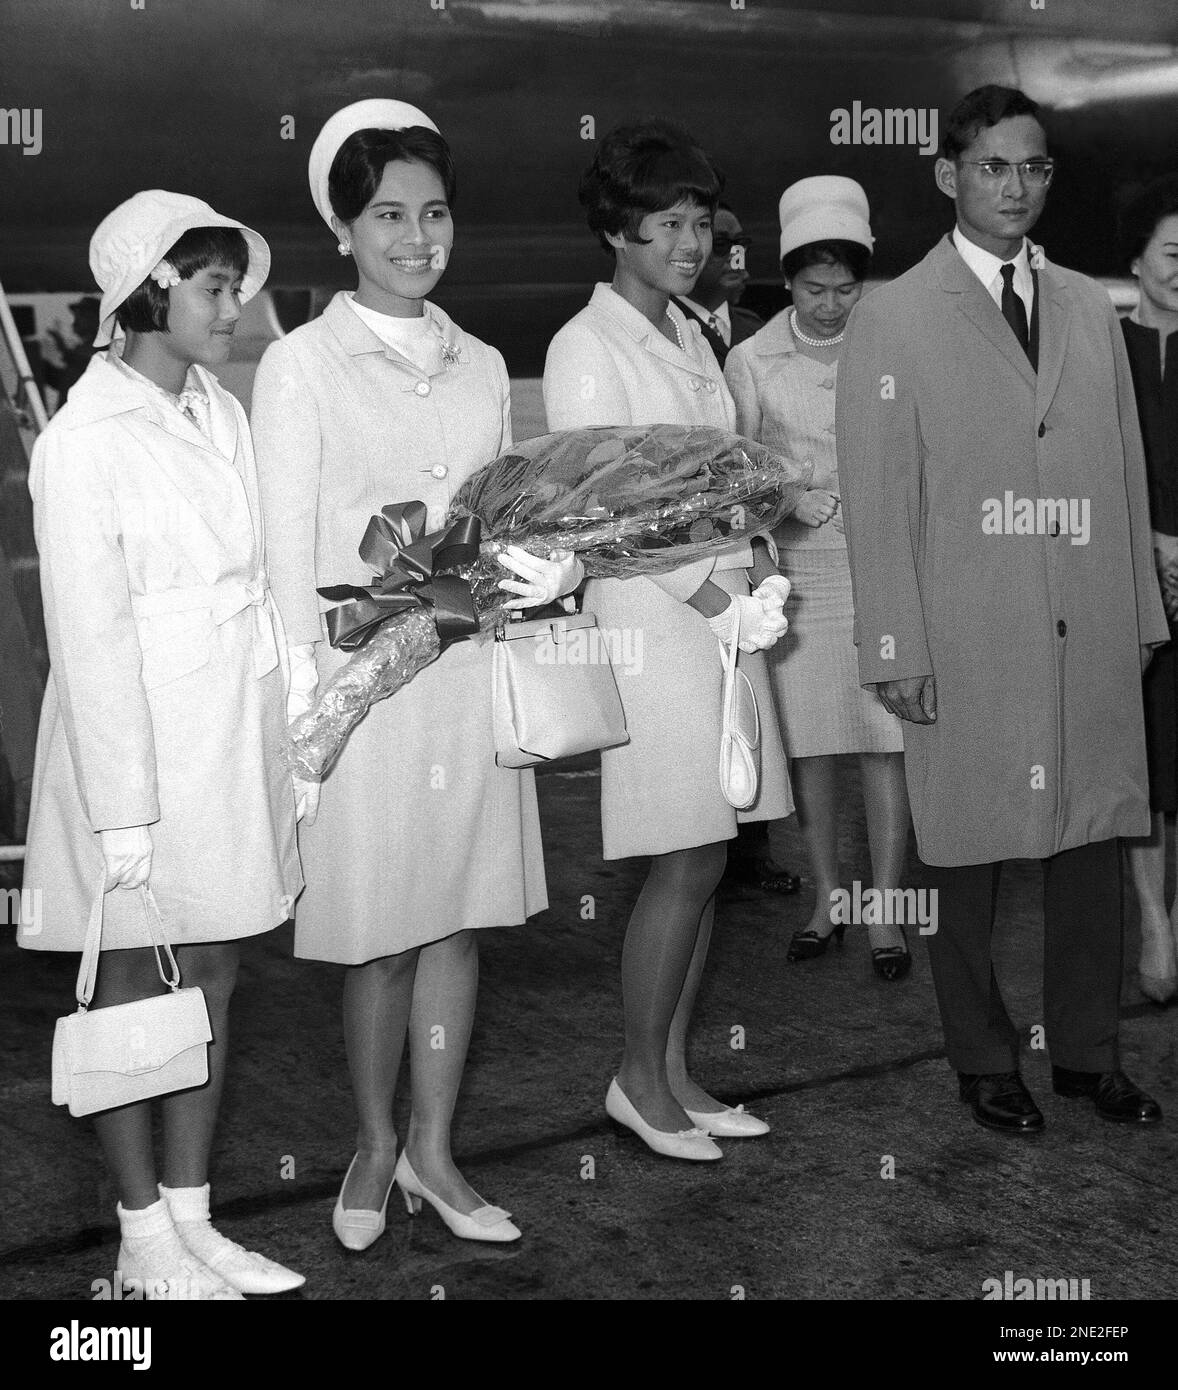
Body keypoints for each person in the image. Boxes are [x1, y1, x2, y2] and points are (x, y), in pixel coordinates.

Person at [252, 100, 580, 1248]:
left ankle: (436, 1153)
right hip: (364, 696)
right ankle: (373, 1143)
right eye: (386, 212)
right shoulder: (297, 366)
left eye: (433, 212)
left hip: (465, 677)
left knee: (458, 921)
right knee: (379, 930)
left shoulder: (483, 362)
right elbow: (289, 551)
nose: (414, 235)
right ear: (343, 227)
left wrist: (542, 571)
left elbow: (498, 519)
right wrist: (306, 715)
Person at [837, 84, 1167, 1132]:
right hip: (963, 628)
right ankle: (983, 1060)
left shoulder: (1084, 304)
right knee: (962, 854)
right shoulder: (892, 313)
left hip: (1086, 624)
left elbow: (1120, 470)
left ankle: (1083, 1055)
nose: (1015, 186)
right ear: (947, 174)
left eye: (1033, 168)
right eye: (992, 167)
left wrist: (1139, 620)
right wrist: (892, 639)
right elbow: (874, 493)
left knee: (1088, 845)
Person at [18, 191, 305, 1297]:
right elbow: (87, 642)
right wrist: (123, 815)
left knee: (217, 971)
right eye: (212, 288)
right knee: (137, 990)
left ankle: (194, 1222)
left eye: (235, 285)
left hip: (227, 735)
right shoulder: (85, 440)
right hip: (132, 755)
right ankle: (141, 1244)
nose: (233, 307)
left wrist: (295, 723)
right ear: (148, 294)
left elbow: (261, 582)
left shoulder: (214, 409)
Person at [544, 119, 807, 1159]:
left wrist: (762, 562)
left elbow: (726, 476)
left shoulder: (693, 334)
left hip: (724, 619)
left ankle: (677, 1072)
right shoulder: (584, 347)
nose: (688, 241)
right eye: (664, 222)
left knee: (709, 854)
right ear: (617, 229)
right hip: (656, 627)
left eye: (699, 222)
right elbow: (607, 517)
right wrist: (717, 600)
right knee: (682, 852)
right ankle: (635, 1079)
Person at [726, 178, 911, 980]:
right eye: (814, 289)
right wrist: (795, 494)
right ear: (788, 282)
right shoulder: (752, 359)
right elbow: (738, 476)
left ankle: (886, 913)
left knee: (888, 740)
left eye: (845, 288)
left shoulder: (894, 343)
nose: (832, 305)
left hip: (886, 568)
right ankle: (828, 896)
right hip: (800, 576)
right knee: (815, 747)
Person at [1119, 174, 1178, 1003]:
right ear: (1137, 261)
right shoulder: (1103, 348)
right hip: (1128, 582)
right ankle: (1152, 923)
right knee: (1140, 765)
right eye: (1173, 251)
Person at [672, 203, 762, 368]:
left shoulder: (757, 330)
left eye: (741, 244)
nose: (736, 258)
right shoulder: (664, 326)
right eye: (720, 244)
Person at [42, 295, 101, 408]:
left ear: (96, 319)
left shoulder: (102, 347)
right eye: (76, 316)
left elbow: (86, 363)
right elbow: (66, 382)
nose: (75, 321)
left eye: (82, 316)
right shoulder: (82, 347)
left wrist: (62, 348)